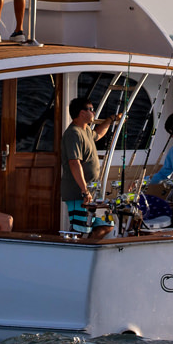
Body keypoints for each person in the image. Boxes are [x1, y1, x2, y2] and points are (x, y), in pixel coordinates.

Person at [59, 96, 113, 238]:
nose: (94, 112)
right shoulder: (73, 133)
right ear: (82, 113)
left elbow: (99, 134)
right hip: (79, 193)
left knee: (107, 224)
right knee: (79, 230)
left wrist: (111, 120)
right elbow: (74, 163)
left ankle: (88, 250)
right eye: (91, 109)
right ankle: (72, 257)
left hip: (91, 192)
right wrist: (84, 191)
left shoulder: (87, 130)